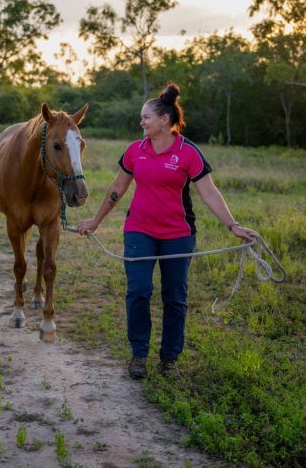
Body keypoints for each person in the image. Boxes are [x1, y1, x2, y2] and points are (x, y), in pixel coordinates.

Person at [76, 83, 255, 379]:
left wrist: (232, 225)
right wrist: (96, 220)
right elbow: (117, 188)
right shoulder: (135, 150)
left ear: (163, 120)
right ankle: (138, 354)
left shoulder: (188, 152)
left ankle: (169, 357)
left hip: (178, 234)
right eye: (141, 118)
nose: (141, 122)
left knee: (174, 296)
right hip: (139, 230)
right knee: (138, 291)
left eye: (146, 117)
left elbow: (209, 193)